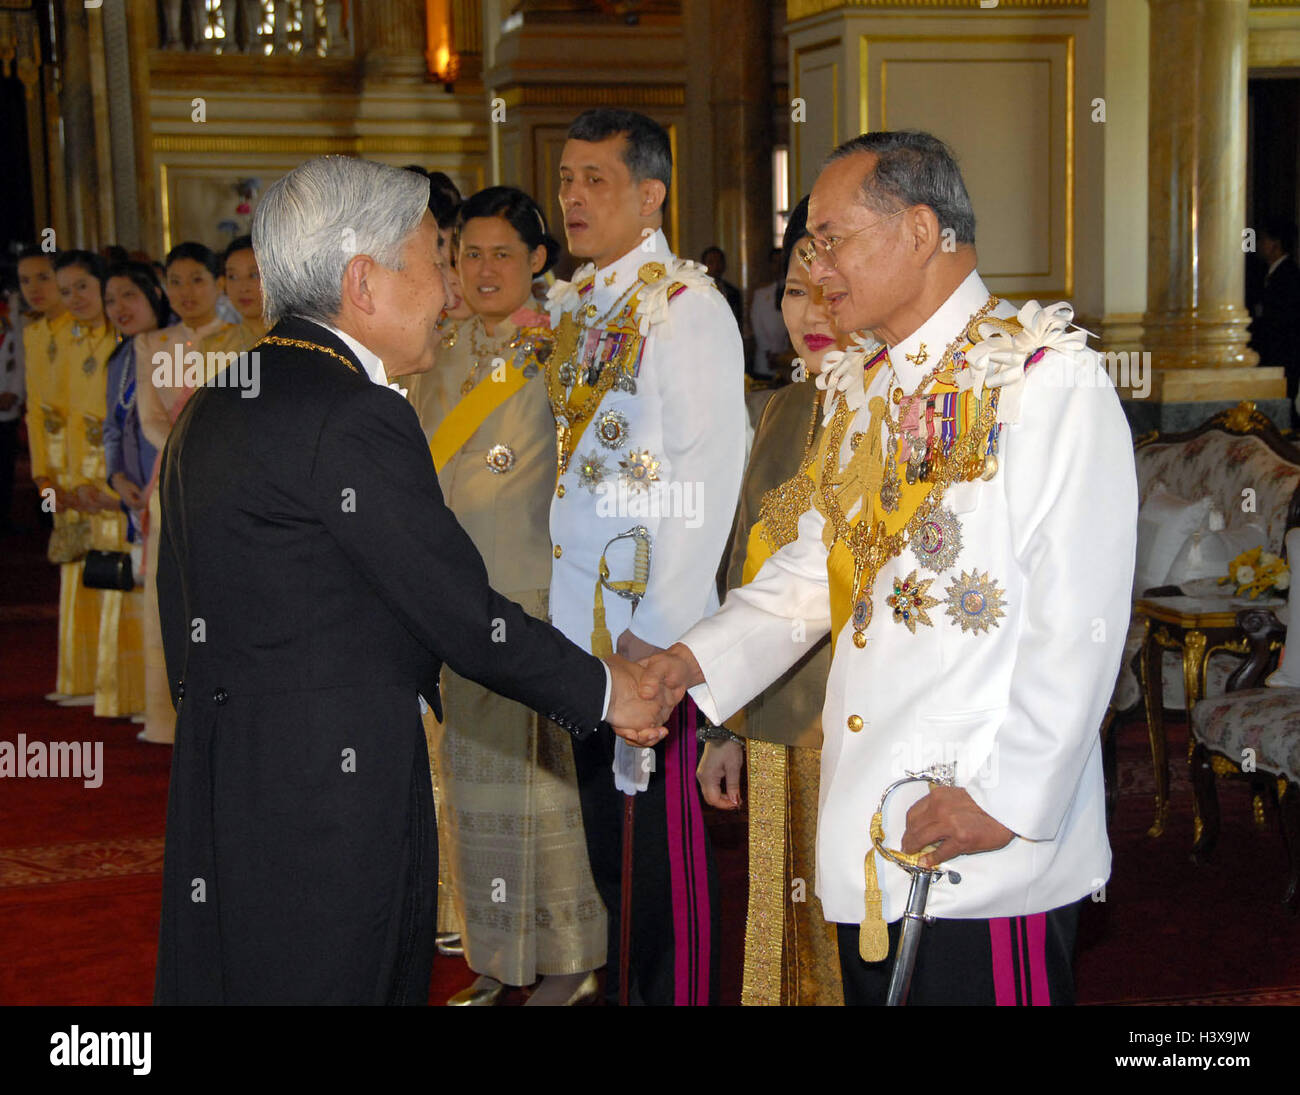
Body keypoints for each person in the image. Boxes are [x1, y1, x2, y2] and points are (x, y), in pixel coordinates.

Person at [152, 154, 676, 1005]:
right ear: (365, 280)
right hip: (335, 797)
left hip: (228, 777)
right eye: (435, 258)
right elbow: (461, 613)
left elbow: (181, 617)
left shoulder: (227, 391)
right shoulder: (357, 411)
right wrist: (608, 689)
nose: (449, 289)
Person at [644, 130, 1137, 1005]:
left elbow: (1082, 619)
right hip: (873, 818)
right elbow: (816, 568)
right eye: (811, 243)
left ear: (918, 232)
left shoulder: (1042, 377)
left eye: (833, 237)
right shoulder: (867, 383)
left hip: (979, 834)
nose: (815, 262)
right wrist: (689, 663)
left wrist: (1007, 800)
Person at [549, 108, 746, 1005]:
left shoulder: (684, 307)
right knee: (613, 860)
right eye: (565, 179)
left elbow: (705, 482)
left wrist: (660, 647)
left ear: (651, 193)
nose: (574, 196)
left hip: (647, 644)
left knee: (661, 873)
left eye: (596, 179)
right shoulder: (585, 300)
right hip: (582, 627)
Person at [425, 186, 606, 1007]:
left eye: (503, 253)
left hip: (531, 590)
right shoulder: (441, 346)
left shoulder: (571, 344)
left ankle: (570, 962)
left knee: (540, 787)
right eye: (470, 253)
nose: (485, 269)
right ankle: (499, 960)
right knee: (476, 789)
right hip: (450, 592)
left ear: (539, 259)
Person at [698, 195, 845, 1005]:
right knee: (785, 937)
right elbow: (741, 564)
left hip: (860, 726)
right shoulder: (781, 409)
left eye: (831, 290)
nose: (811, 313)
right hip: (774, 715)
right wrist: (724, 724)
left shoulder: (907, 416)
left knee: (853, 936)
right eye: (795, 290)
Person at [136, 242, 232, 744]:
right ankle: (168, 716)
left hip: (226, 482)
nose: (186, 292)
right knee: (170, 591)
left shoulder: (244, 340)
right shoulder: (153, 344)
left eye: (198, 279)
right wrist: (184, 451)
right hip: (172, 476)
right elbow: (150, 417)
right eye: (175, 281)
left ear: (219, 284)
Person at [19, 245, 95, 703]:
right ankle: (78, 677)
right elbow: (36, 409)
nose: (37, 289)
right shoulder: (37, 332)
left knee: (104, 563)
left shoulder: (85, 331)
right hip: (57, 463)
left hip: (89, 464)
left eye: (44, 278)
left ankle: (106, 682)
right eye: (27, 281)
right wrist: (42, 473)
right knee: (70, 561)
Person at [100, 263, 170, 721]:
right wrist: (115, 478)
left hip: (165, 486)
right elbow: (111, 427)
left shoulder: (178, 347)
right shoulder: (119, 358)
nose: (118, 308)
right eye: (111, 300)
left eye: (129, 296)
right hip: (132, 490)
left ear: (153, 297)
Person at [50, 251, 119, 709]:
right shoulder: (60, 338)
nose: (74, 298)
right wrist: (53, 475)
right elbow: (54, 413)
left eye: (82, 287)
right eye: (66, 290)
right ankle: (85, 679)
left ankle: (117, 687)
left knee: (115, 575)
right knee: (79, 570)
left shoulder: (128, 339)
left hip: (113, 476)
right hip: (74, 470)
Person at [1250, 217, 1300, 422]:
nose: (1259, 245)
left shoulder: (1289, 276)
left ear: (1275, 244)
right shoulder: (1265, 274)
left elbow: (1281, 322)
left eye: (1262, 240)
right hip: (1271, 355)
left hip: (1282, 356)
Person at [199, 236, 267, 358]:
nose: (243, 288)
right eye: (233, 277)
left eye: (254, 275)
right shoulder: (213, 347)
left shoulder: (298, 341)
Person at [0, 280, 25, 535]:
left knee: (5, 465)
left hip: (6, 401)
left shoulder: (10, 312)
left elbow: (20, 355)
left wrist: (15, 392)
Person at [748, 247, 792, 381]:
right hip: (765, 359)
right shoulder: (761, 294)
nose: (778, 266)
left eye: (781, 262)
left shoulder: (796, 291)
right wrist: (769, 352)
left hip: (788, 359)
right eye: (774, 262)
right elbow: (757, 325)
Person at [701, 245, 743, 330]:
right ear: (704, 265)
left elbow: (738, 320)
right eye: (711, 262)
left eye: (719, 262)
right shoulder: (696, 291)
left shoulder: (733, 292)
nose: (716, 266)